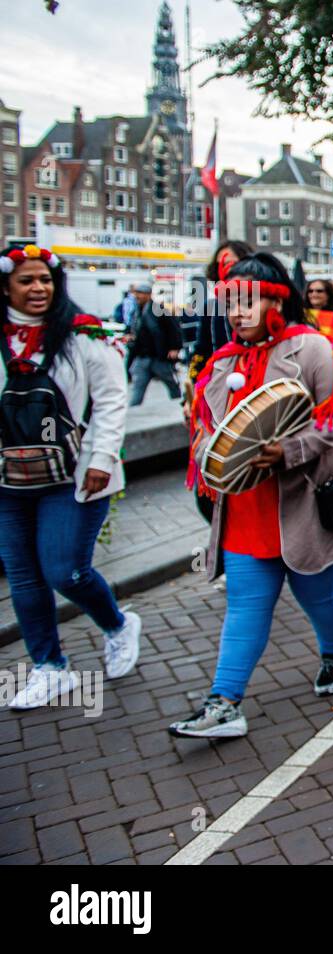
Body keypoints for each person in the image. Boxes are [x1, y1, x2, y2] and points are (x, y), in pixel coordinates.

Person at [171, 253, 333, 738]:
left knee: (318, 593)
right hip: (246, 508)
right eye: (230, 302)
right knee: (246, 604)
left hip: (305, 504)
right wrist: (211, 452)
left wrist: (288, 450)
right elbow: (205, 429)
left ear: (277, 299)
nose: (238, 312)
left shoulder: (314, 350)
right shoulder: (222, 361)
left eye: (249, 301)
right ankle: (224, 704)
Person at [0, 244, 140, 709]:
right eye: (26, 280)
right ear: (6, 287)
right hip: (9, 481)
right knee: (24, 577)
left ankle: (118, 625)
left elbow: (111, 399)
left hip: (74, 476)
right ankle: (49, 666)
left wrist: (101, 458)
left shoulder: (82, 334)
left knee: (65, 570)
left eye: (45, 279)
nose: (38, 288)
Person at [190, 240, 254, 383]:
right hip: (220, 383)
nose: (226, 269)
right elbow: (201, 350)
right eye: (221, 264)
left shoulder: (263, 300)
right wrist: (196, 382)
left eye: (232, 263)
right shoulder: (211, 307)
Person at [125, 281, 183, 406]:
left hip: (159, 358)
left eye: (140, 293)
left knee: (172, 385)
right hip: (143, 357)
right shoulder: (137, 311)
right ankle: (133, 411)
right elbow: (135, 329)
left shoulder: (158, 309)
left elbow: (174, 328)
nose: (137, 296)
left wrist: (174, 348)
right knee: (138, 389)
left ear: (148, 294)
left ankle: (182, 406)